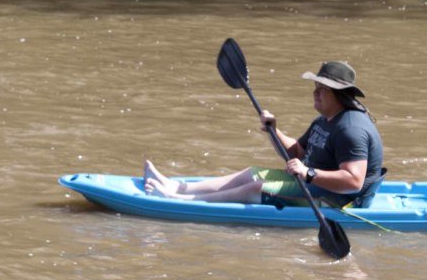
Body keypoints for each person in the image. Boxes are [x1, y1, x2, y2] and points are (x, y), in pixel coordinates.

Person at [143, 61, 386, 207]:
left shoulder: (351, 129)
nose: (316, 93)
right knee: (251, 174)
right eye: (315, 88)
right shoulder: (325, 120)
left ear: (340, 94)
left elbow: (354, 182)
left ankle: (181, 202)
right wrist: (274, 129)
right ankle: (178, 187)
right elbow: (297, 152)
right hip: (312, 183)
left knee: (257, 188)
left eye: (323, 90)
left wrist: (308, 173)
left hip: (340, 201)